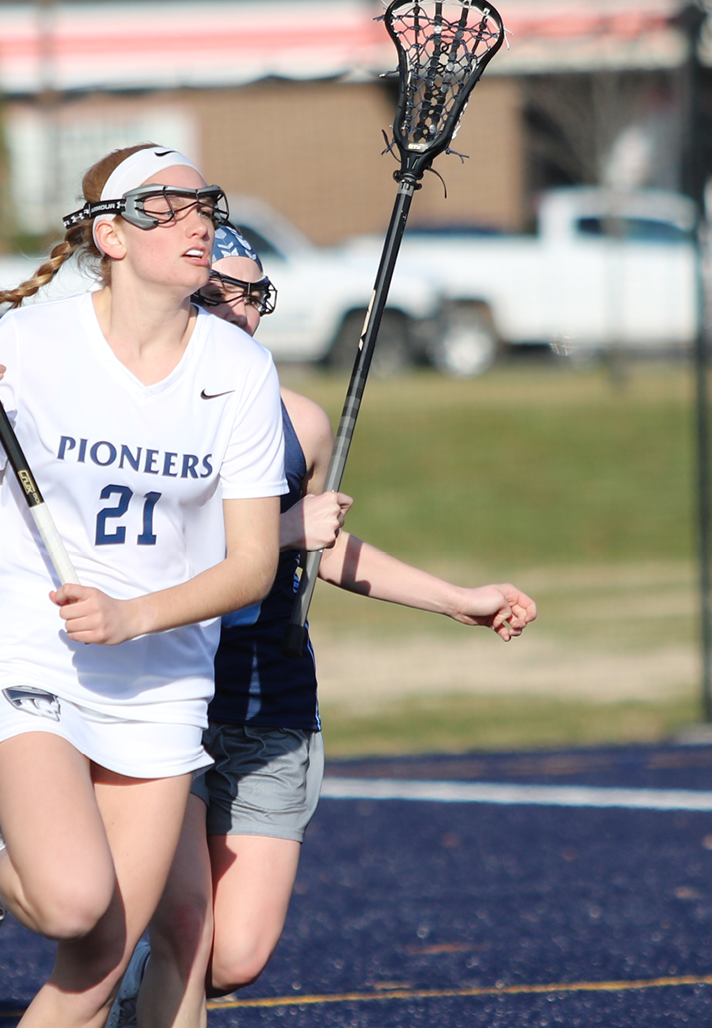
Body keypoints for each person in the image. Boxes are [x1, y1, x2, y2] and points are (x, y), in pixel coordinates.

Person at [122, 226, 539, 1028]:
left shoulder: (299, 423)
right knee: (181, 925)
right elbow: (152, 556)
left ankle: (130, 998)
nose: (238, 313)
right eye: (216, 294)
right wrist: (281, 531)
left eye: (253, 295)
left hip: (270, 700)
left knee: (234, 956)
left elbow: (326, 543)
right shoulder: (145, 419)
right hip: (167, 695)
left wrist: (458, 599)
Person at [0, 144, 287, 1027]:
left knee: (98, 956)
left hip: (159, 676)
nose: (198, 222)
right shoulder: (38, 342)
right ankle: (0, 869)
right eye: (168, 208)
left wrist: (134, 616)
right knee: (76, 900)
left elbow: (252, 564)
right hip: (35, 649)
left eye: (207, 206)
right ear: (111, 235)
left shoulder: (238, 370)